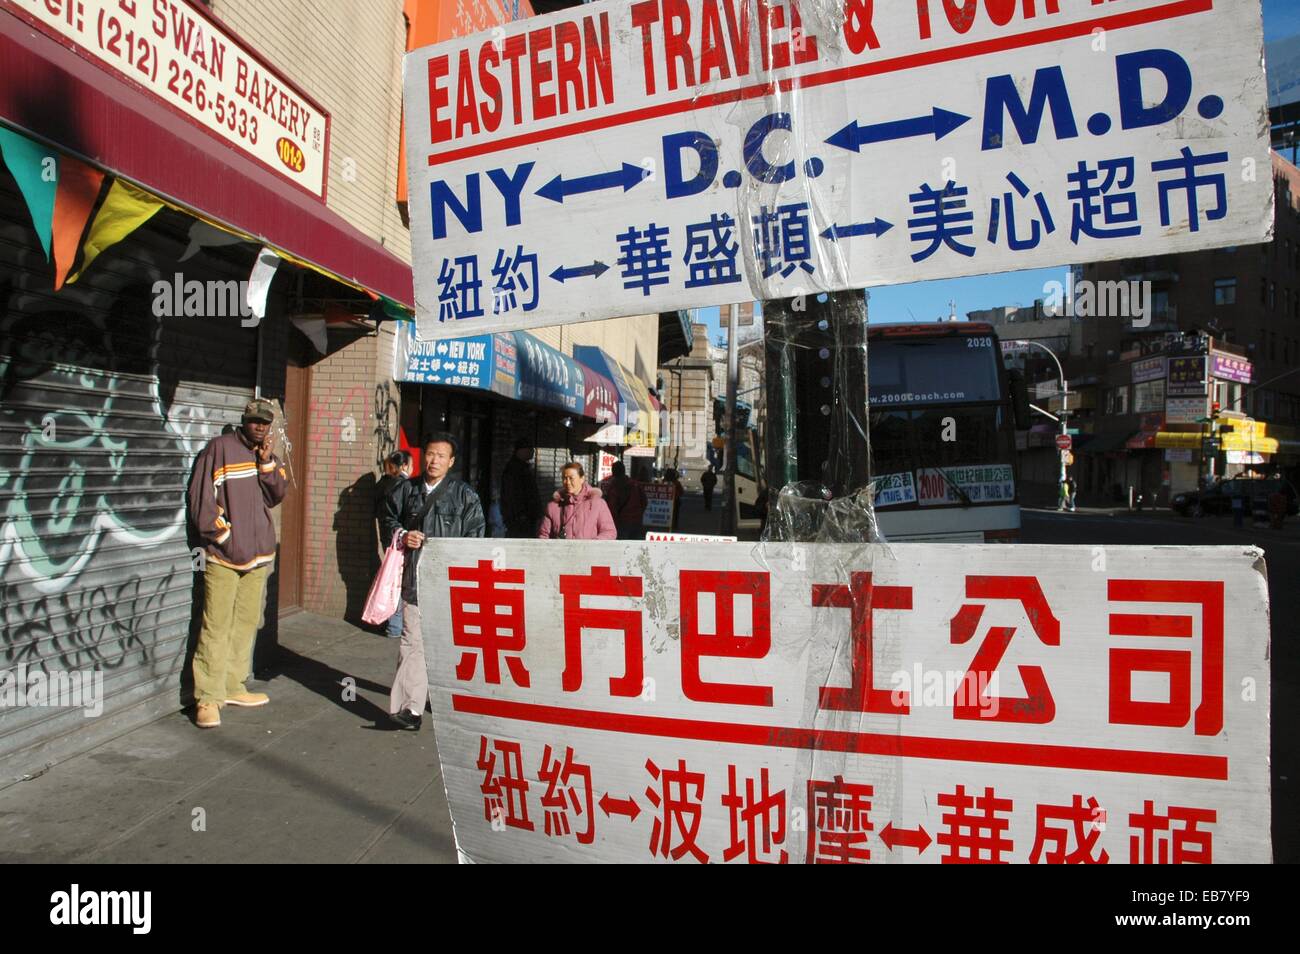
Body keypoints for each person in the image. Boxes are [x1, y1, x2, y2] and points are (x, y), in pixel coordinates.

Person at [186, 398, 287, 729]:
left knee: (245, 625)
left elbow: (277, 495)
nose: (260, 427)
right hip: (224, 558)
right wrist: (226, 538)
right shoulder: (219, 449)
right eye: (255, 421)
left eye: (265, 423)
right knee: (215, 627)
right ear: (244, 421)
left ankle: (232, 685)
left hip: (258, 557)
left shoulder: (264, 454)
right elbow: (202, 503)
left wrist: (267, 462)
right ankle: (208, 698)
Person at [380, 433, 485, 730]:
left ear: (451, 462)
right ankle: (410, 709)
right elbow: (388, 519)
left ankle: (444, 697)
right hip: (414, 578)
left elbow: (476, 536)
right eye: (430, 454)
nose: (434, 460)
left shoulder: (465, 495)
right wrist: (402, 535)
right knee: (411, 642)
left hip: (449, 584)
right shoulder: (406, 490)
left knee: (443, 646)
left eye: (441, 455)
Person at [374, 450, 412, 638]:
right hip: (399, 539)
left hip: (385, 537)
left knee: (389, 579)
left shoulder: (382, 483)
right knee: (398, 581)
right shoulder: (403, 485)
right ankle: (395, 626)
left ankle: (389, 622)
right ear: (404, 465)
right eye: (410, 464)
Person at [538, 461, 617, 540]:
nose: (568, 482)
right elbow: (543, 535)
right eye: (565, 478)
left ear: (582, 479)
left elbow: (609, 531)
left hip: (589, 551)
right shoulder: (553, 506)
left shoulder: (598, 504)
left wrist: (591, 546)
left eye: (571, 478)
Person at [499, 438, 541, 538]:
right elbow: (511, 495)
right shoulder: (514, 470)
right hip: (519, 520)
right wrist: (521, 516)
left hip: (526, 518)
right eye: (529, 448)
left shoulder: (523, 468)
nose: (533, 451)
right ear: (520, 450)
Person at [602, 461, 647, 540]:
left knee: (622, 549)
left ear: (613, 472)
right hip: (637, 522)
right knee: (636, 548)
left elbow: (612, 508)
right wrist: (638, 514)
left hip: (621, 523)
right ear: (624, 470)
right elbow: (644, 502)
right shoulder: (635, 485)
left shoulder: (613, 487)